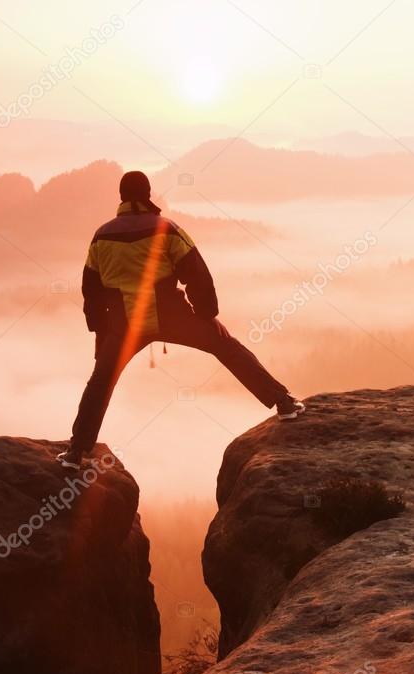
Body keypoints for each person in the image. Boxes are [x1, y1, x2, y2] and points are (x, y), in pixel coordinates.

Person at [57, 171, 304, 469]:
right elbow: (197, 274)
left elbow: (91, 290)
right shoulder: (168, 229)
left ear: (121, 197)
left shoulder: (102, 236)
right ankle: (283, 402)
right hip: (173, 316)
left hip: (124, 325)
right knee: (227, 347)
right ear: (148, 194)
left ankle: (75, 452)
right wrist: (207, 317)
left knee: (100, 382)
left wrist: (101, 330)